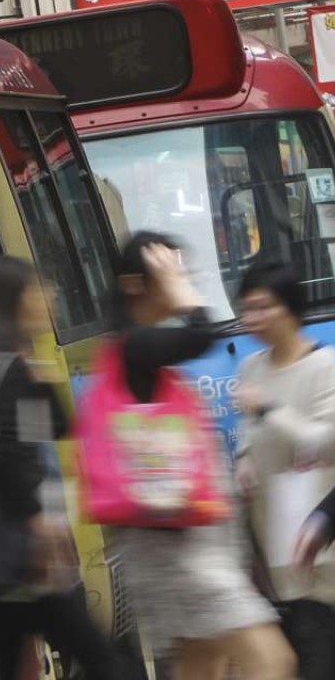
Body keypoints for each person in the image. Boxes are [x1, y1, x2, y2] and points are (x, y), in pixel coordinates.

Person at [108, 233, 295, 680]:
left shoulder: (140, 353)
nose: (181, 278)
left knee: (203, 665)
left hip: (183, 538)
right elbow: (202, 334)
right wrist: (185, 294)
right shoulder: (133, 346)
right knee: (272, 661)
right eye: (169, 272)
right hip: (177, 550)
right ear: (134, 285)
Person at [0, 256, 121, 680]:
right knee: (103, 659)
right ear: (19, 298)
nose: (52, 300)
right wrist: (41, 520)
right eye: (42, 291)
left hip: (16, 538)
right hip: (23, 537)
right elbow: (13, 449)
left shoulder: (10, 354)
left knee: (11, 655)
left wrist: (38, 375)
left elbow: (52, 428)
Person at [235, 261, 335, 679]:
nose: (252, 318)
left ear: (290, 308)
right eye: (246, 308)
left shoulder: (323, 366)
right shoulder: (252, 367)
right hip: (270, 547)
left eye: (263, 307)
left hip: (319, 551)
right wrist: (243, 459)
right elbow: (248, 434)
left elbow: (325, 442)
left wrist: (269, 408)